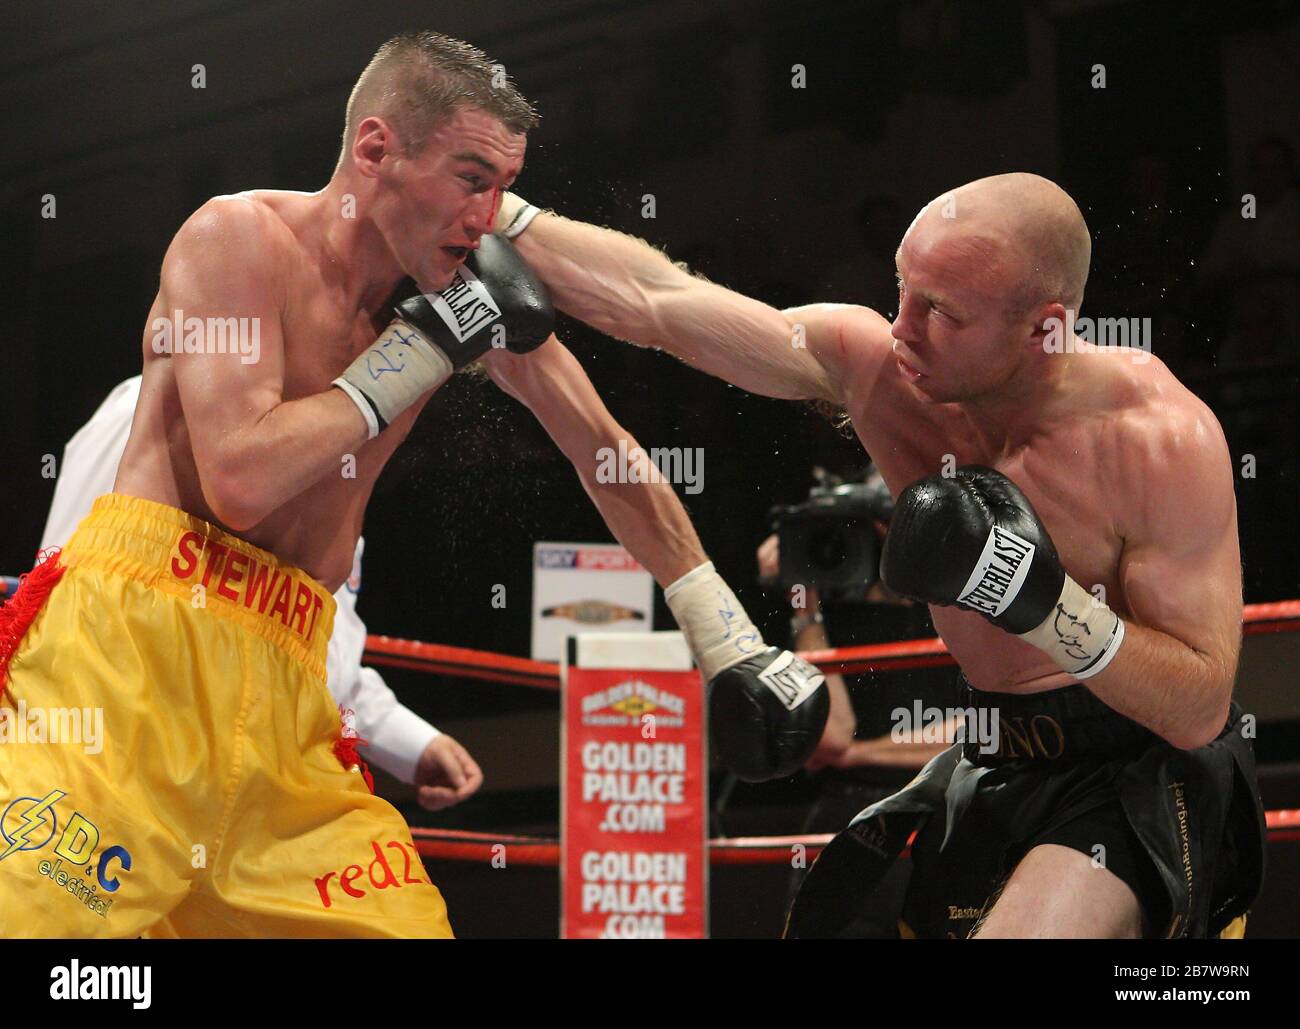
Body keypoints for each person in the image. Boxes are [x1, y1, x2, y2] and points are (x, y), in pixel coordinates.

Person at [0, 31, 823, 939]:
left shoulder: (455, 294)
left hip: (286, 683)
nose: (493, 216)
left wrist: (724, 636)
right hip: (129, 664)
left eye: (506, 186)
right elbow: (239, 476)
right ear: (375, 150)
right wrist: (420, 351)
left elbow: (606, 452)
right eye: (473, 178)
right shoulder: (237, 238)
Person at [491, 172, 1267, 938]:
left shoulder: (1157, 438)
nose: (901, 327)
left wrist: (1042, 603)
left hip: (1139, 768)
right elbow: (660, 300)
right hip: (995, 753)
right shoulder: (879, 369)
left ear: (1044, 328)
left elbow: (1198, 707)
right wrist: (493, 211)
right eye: (902, 288)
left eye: (942, 310)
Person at [39, 375, 479, 810]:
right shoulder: (158, 402)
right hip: (147, 758)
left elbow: (318, 649)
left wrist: (412, 742)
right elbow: (70, 581)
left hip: (272, 773)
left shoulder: (319, 438)